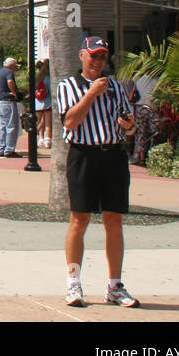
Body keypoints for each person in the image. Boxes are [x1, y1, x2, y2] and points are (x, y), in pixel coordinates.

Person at [55, 36, 140, 308]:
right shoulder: (68, 86)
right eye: (94, 56)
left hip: (113, 155)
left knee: (114, 220)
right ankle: (73, 283)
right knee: (79, 220)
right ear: (82, 56)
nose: (98, 62)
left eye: (103, 56)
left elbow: (130, 128)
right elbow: (70, 121)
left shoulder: (116, 86)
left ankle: (115, 285)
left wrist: (129, 126)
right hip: (83, 155)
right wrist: (91, 93)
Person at [0, 57, 22, 158]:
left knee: (3, 126)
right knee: (11, 126)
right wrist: (15, 93)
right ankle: (9, 149)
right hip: (9, 101)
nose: (15, 69)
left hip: (1, 102)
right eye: (15, 66)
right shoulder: (9, 72)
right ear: (12, 65)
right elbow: (10, 82)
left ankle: (0, 148)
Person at [34, 60, 52, 149]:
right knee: (47, 123)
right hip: (47, 102)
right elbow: (50, 90)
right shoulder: (48, 78)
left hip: (38, 102)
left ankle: (40, 138)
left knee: (39, 121)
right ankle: (47, 140)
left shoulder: (37, 78)